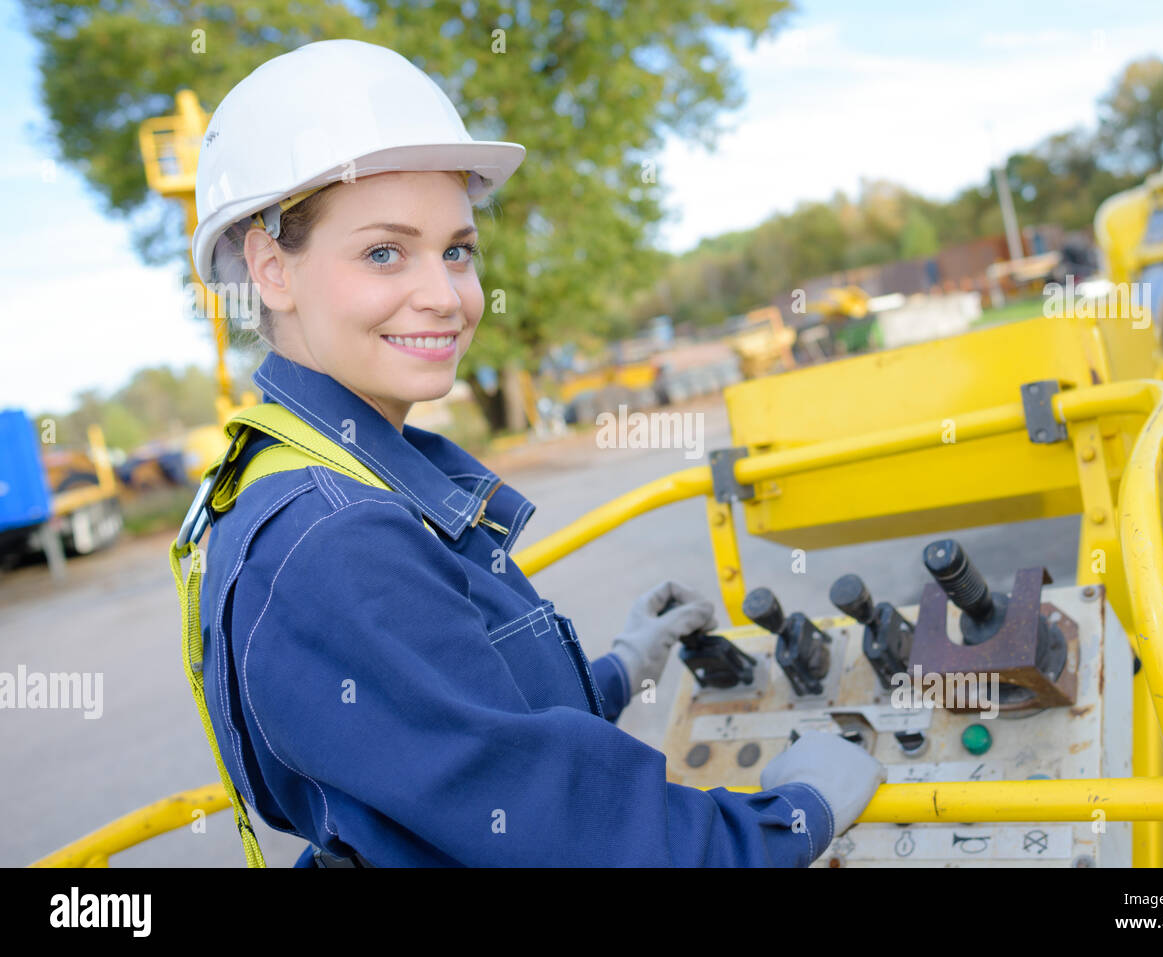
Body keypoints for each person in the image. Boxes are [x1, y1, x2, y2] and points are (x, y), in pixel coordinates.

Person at [189, 38, 885, 867]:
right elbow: (566, 837)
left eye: (457, 249)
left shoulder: (312, 477)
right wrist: (796, 814)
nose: (445, 295)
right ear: (270, 266)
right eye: (384, 251)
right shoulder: (336, 537)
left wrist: (621, 667)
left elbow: (451, 743)